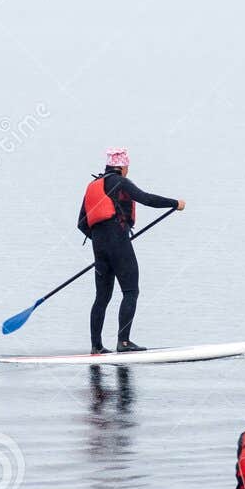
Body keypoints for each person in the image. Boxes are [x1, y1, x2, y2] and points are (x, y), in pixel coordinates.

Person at [78, 148, 185, 355]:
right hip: (118, 242)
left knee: (102, 297)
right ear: (121, 167)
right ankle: (124, 342)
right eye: (127, 167)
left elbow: (82, 223)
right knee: (130, 291)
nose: (127, 170)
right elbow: (146, 199)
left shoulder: (92, 186)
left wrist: (102, 241)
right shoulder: (120, 182)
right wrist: (175, 204)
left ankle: (96, 346)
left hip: (99, 247)